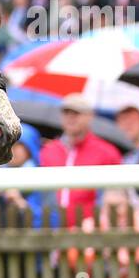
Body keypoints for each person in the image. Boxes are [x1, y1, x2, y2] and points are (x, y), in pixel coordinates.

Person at [39, 93, 122, 226]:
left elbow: (117, 194)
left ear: (90, 116)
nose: (71, 118)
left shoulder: (107, 152)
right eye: (66, 113)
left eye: (76, 113)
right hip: (51, 230)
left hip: (90, 230)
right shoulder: (48, 150)